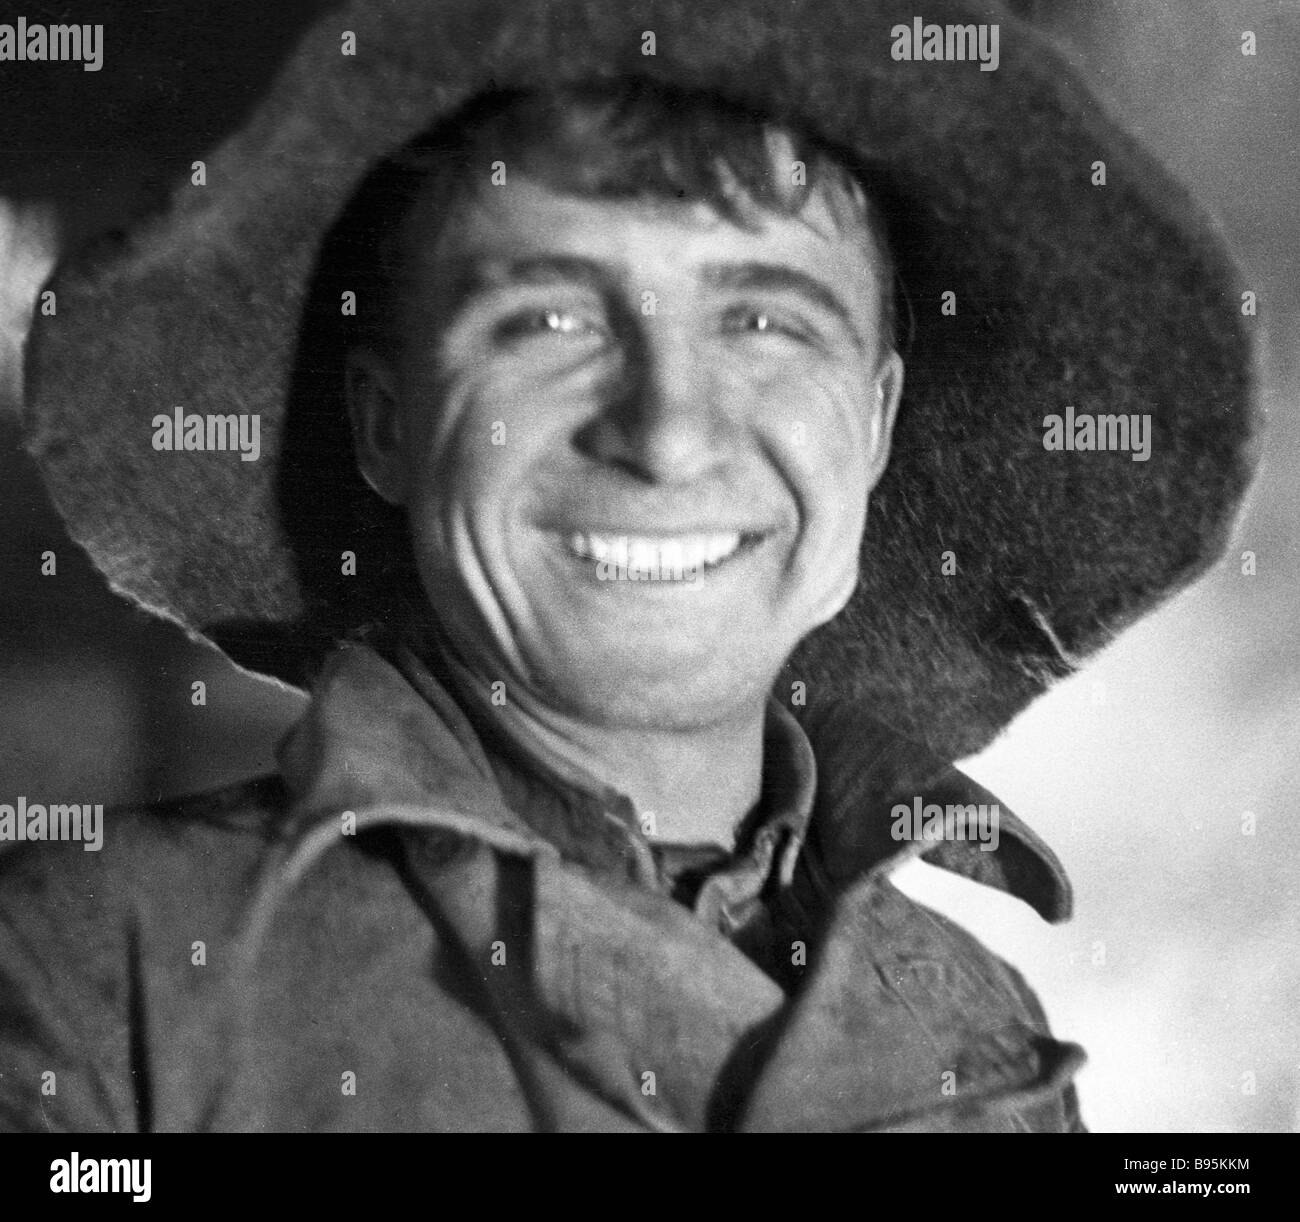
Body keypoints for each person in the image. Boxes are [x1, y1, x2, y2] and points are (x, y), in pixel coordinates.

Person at [2, 0, 1255, 1132]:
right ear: (387, 423)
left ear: (873, 426)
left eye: (763, 320)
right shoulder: (101, 975)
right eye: (548, 320)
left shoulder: (983, 1029)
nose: (664, 432)